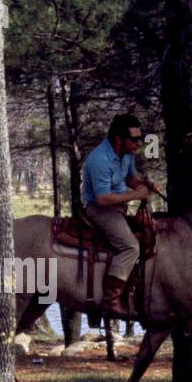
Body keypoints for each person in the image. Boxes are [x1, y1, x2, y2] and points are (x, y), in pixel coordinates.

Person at [80, 113, 158, 317]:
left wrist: (143, 184)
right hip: (100, 211)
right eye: (134, 139)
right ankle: (111, 300)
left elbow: (130, 177)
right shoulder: (99, 159)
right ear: (118, 139)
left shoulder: (127, 154)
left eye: (140, 138)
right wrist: (134, 195)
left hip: (118, 208)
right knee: (129, 246)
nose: (139, 143)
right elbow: (102, 198)